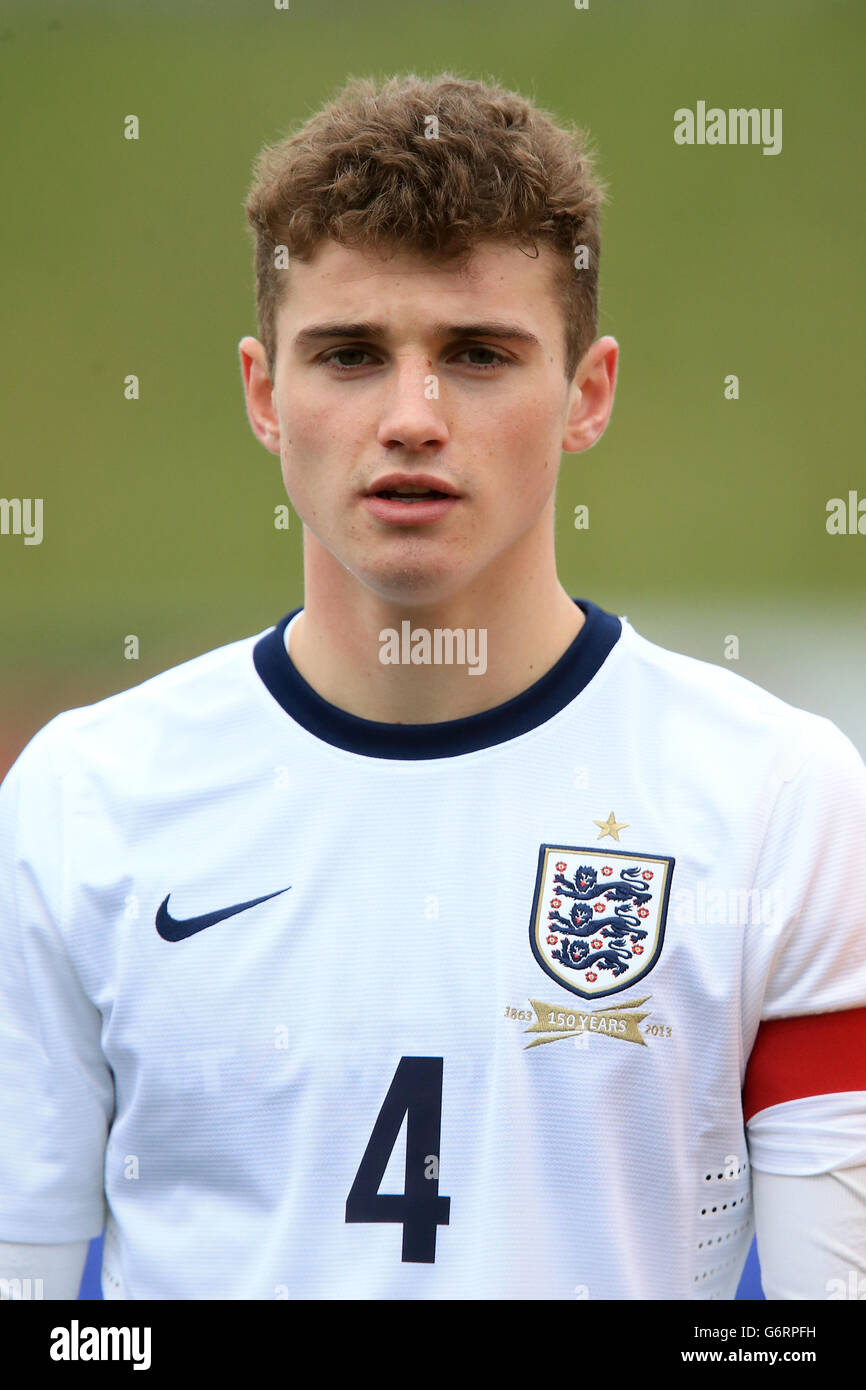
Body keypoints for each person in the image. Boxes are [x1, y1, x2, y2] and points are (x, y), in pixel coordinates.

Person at [1, 72, 864, 1301]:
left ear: (586, 392)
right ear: (263, 394)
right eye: (349, 355)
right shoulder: (82, 802)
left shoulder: (779, 801)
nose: (411, 417)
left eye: (475, 355)